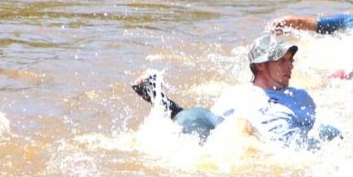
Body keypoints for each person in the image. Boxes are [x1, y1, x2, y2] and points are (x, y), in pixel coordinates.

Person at [130, 35, 339, 148]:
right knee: (233, 125)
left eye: (290, 60)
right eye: (281, 60)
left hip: (284, 154)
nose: (289, 66)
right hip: (247, 149)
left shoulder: (300, 96)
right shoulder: (237, 94)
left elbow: (310, 133)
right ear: (260, 65)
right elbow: (205, 125)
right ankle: (156, 96)